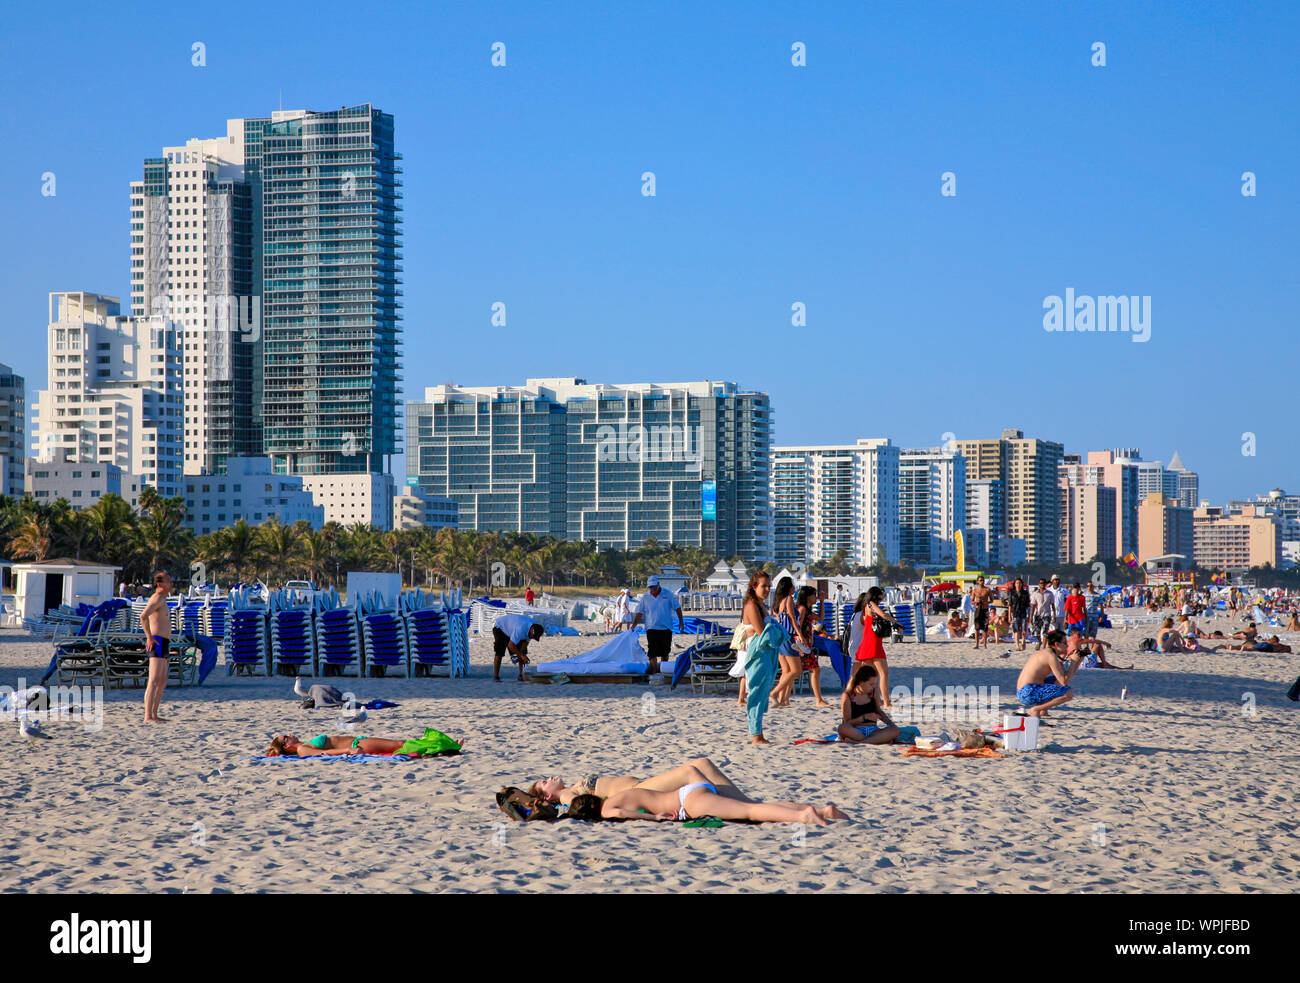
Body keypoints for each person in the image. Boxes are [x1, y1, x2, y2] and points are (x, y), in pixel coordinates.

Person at [590, 766, 847, 825]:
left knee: (750, 813)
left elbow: (621, 813)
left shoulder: (605, 809)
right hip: (689, 791)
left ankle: (803, 815)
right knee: (751, 805)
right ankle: (824, 811)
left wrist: (656, 818)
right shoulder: (619, 794)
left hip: (689, 802)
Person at [529, 757, 756, 806]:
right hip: (639, 791)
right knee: (691, 771)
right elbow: (580, 807)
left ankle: (746, 803)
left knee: (702, 765)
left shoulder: (570, 788)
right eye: (544, 782)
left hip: (642, 785)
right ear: (548, 795)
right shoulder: (567, 795)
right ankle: (743, 807)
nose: (549, 778)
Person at [740, 570, 780, 744]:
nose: (767, 589)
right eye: (763, 586)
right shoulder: (751, 605)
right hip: (757, 652)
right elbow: (761, 632)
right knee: (756, 692)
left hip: (766, 652)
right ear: (754, 586)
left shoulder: (761, 604)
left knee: (763, 691)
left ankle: (759, 733)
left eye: (769, 586)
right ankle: (756, 735)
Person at [1014, 629, 1082, 717]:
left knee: (1057, 681)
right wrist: (1073, 662)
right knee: (1068, 694)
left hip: (1025, 690)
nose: (1067, 645)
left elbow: (1065, 677)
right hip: (1027, 692)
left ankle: (1043, 711)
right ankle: (1035, 709)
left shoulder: (1049, 653)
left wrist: (1079, 660)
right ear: (1057, 644)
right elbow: (1064, 681)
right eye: (1065, 643)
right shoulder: (1050, 656)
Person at [264, 729, 460, 757]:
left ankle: (443, 745)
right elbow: (323, 754)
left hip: (359, 742)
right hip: (358, 744)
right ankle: (443, 746)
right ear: (286, 746)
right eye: (285, 738)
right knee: (399, 745)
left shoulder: (302, 745)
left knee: (398, 744)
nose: (289, 735)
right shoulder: (302, 749)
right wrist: (348, 750)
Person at [630, 575, 685, 675]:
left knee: (665, 652)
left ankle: (663, 670)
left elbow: (677, 607)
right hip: (651, 628)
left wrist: (681, 622)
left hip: (666, 628)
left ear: (658, 585)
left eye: (654, 586)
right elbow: (639, 612)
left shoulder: (668, 594)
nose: (653, 589)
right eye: (650, 587)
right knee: (652, 651)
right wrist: (634, 625)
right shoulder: (645, 597)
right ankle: (654, 672)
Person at [852, 586, 895, 709]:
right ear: (875, 596)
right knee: (883, 673)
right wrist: (895, 622)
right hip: (873, 642)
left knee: (869, 676)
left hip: (869, 641)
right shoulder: (870, 605)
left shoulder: (866, 608)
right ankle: (886, 702)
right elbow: (882, 614)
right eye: (880, 596)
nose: (881, 599)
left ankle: (862, 698)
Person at [837, 662, 900, 744]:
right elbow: (847, 723)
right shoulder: (848, 696)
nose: (874, 687)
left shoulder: (872, 692)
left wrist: (890, 723)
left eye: (875, 684)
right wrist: (863, 718)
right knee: (842, 728)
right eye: (871, 684)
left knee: (895, 731)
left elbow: (879, 711)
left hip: (873, 730)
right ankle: (873, 740)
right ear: (861, 682)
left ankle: (862, 742)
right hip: (857, 731)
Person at [140, 571, 173, 724]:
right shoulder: (157, 598)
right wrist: (149, 637)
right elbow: (143, 616)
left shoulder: (164, 599)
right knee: (153, 680)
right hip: (157, 641)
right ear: (159, 584)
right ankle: (147, 716)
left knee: (161, 680)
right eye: (168, 581)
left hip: (164, 641)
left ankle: (154, 714)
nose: (171, 583)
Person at [768, 576, 804, 708]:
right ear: (788, 587)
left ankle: (784, 699)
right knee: (796, 671)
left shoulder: (777, 603)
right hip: (789, 637)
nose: (794, 588)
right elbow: (792, 620)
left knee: (786, 671)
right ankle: (774, 693)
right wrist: (800, 635)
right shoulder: (788, 599)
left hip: (780, 637)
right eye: (793, 585)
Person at [794, 585, 831, 707]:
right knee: (812, 670)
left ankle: (778, 695)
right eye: (814, 595)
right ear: (808, 597)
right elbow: (797, 625)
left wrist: (821, 601)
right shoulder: (802, 609)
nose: (815, 597)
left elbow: (821, 618)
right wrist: (801, 639)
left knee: (798, 671)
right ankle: (819, 700)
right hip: (802, 646)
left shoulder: (807, 609)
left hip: (806, 646)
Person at [492, 613, 545, 681]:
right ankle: (496, 677)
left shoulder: (533, 628)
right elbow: (511, 645)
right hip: (500, 628)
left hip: (512, 629)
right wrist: (520, 655)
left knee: (522, 652)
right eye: (533, 636)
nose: (532, 638)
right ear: (532, 631)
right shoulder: (521, 629)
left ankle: (521, 675)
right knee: (500, 652)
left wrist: (522, 655)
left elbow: (524, 646)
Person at [970, 575, 993, 649]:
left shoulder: (987, 590)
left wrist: (986, 602)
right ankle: (976, 644)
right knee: (977, 627)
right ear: (977, 581)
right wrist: (976, 601)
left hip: (985, 609)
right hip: (978, 609)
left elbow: (992, 600)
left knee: (985, 627)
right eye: (980, 580)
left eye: (983, 580)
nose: (982, 582)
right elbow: (971, 601)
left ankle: (984, 644)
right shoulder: (975, 590)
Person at [1008, 578, 1031, 650]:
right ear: (1014, 584)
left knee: (1024, 630)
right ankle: (1017, 645)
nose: (1018, 584)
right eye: (1017, 583)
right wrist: (1009, 615)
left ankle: (1023, 641)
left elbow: (1028, 605)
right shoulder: (1011, 593)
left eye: (1020, 583)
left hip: (1023, 612)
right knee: (1016, 630)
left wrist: (1029, 615)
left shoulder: (1025, 593)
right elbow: (1010, 605)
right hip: (1015, 613)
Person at [1029, 578, 1051, 649]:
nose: (1042, 584)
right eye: (1041, 583)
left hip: (1046, 614)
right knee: (1036, 632)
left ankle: (1044, 647)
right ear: (1039, 584)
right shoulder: (1035, 594)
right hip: (1037, 615)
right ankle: (1039, 641)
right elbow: (1033, 606)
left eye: (1044, 583)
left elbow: (1053, 605)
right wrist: (1031, 616)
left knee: (1045, 632)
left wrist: (1054, 616)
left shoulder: (1049, 593)